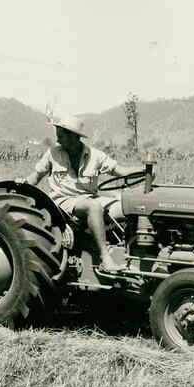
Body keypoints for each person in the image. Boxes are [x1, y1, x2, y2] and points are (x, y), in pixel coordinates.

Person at [20, 117, 140, 273]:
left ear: (72, 136)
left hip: (89, 198)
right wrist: (21, 185)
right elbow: (35, 177)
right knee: (94, 207)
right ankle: (105, 258)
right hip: (63, 202)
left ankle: (132, 255)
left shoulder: (95, 155)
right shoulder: (52, 153)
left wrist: (145, 169)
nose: (57, 140)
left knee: (128, 206)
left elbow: (122, 172)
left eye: (61, 136)